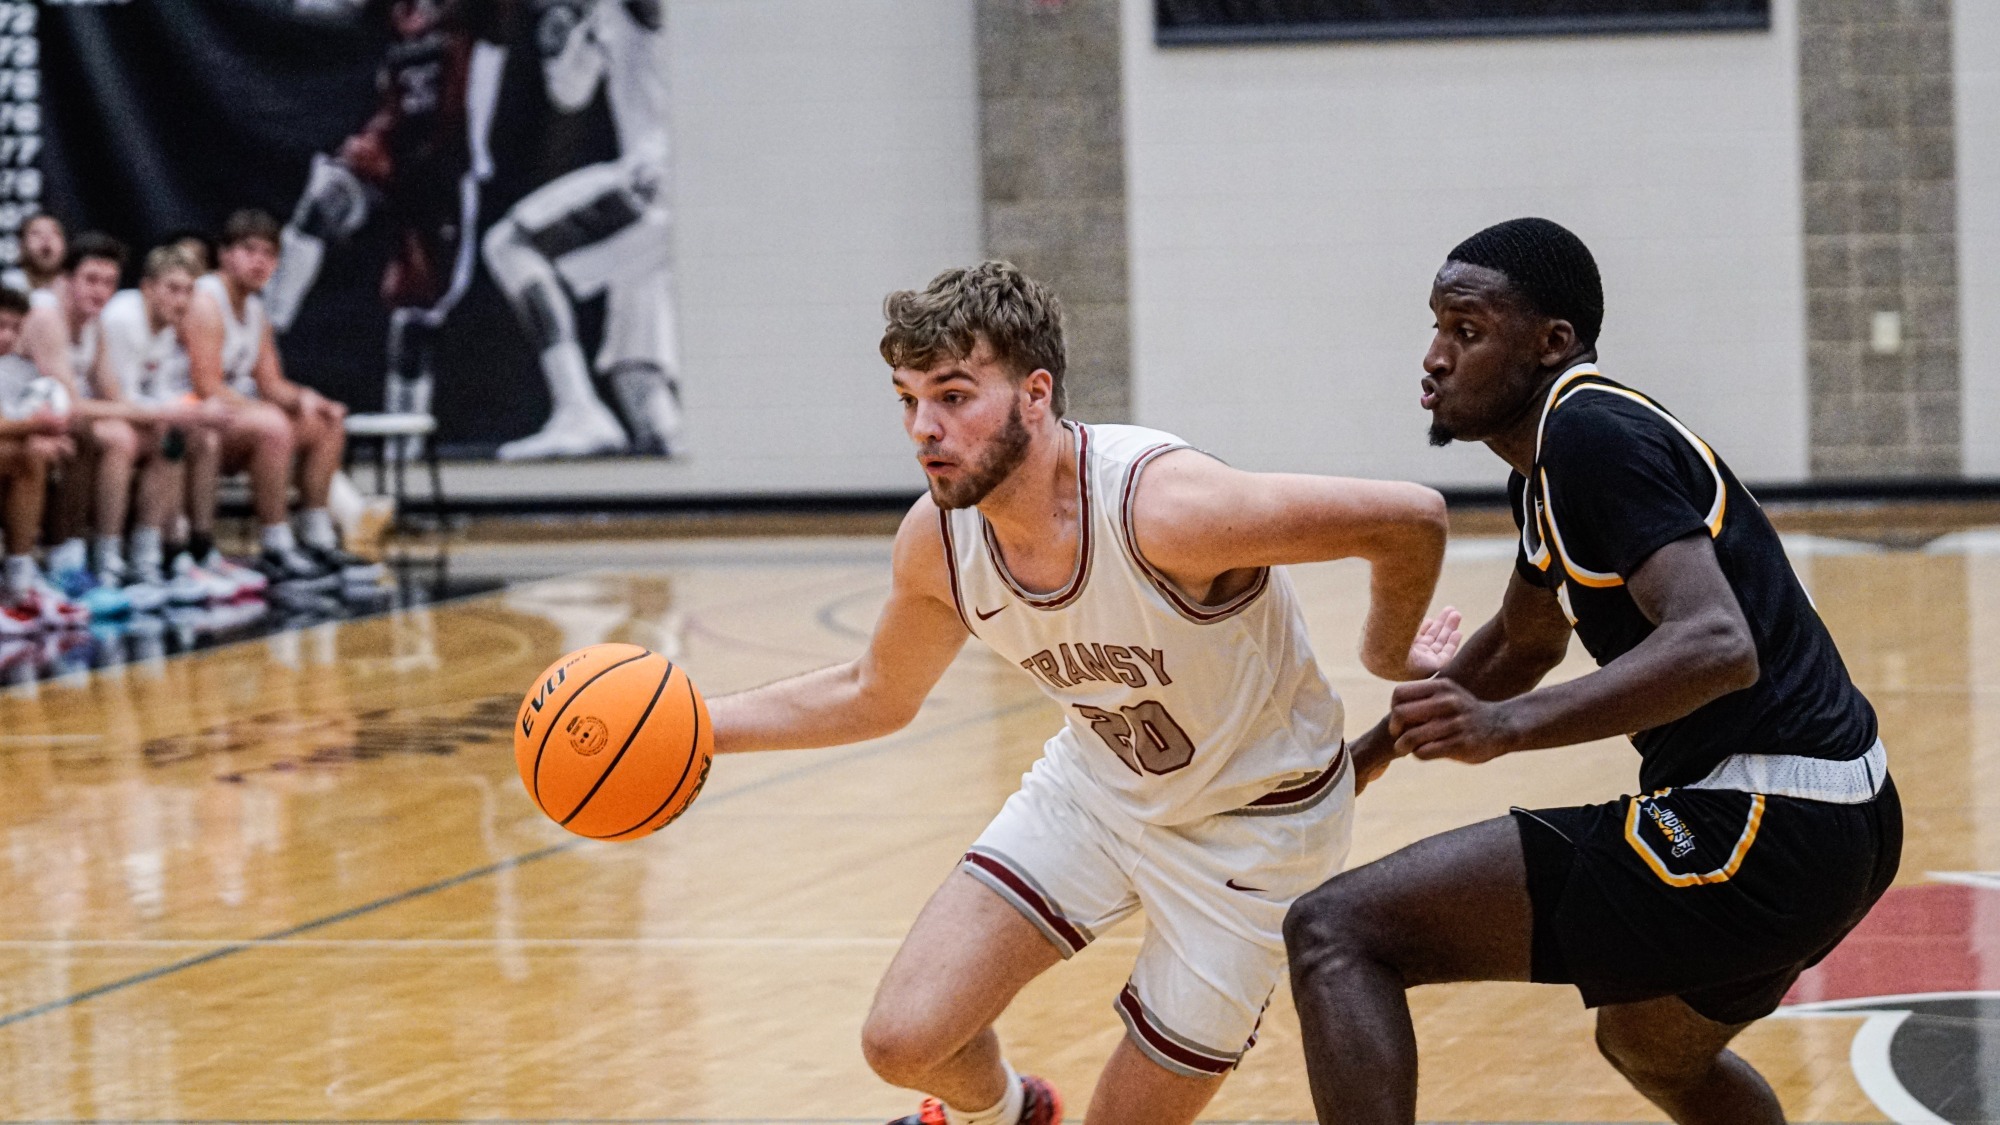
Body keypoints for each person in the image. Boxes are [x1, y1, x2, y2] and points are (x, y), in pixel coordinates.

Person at [707, 262, 1455, 1125]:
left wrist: (1390, 654)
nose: (924, 427)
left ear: (1035, 393)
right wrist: (690, 729)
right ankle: (1009, 1113)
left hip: (1260, 835)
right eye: (908, 399)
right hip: (1099, 793)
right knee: (903, 1041)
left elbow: (1411, 517)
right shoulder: (939, 540)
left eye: (953, 395)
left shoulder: (1163, 507)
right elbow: (874, 690)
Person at [1282, 218, 1902, 1125]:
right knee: (1649, 1043)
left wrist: (1508, 729)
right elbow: (1523, 643)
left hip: (1770, 815)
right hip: (1842, 819)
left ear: (1551, 343)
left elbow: (1716, 646)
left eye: (1467, 330)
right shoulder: (1546, 468)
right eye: (1435, 327)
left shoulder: (1590, 435)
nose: (1434, 357)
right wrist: (1368, 755)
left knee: (1336, 930)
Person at [264, 0, 511, 438]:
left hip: (444, 167)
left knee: (414, 318)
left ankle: (405, 451)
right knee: (324, 201)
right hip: (391, 143)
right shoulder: (398, 13)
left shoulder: (474, 16)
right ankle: (261, 337)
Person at [481, 0, 681, 459]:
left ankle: (577, 408)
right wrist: (572, 34)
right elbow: (570, 93)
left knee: (510, 245)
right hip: (667, 202)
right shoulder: (602, 17)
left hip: (657, 179)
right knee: (638, 379)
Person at [183, 209, 381, 589]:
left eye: (269, 254)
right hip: (197, 417)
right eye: (249, 250)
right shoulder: (206, 300)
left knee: (325, 422)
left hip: (237, 418)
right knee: (273, 425)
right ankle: (275, 545)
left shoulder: (256, 309)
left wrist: (308, 398)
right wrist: (266, 411)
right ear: (224, 255)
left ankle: (318, 538)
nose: (260, 261)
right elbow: (205, 386)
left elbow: (272, 383)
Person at [97, 245, 265, 603]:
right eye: (173, 289)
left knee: (192, 435)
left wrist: (187, 412)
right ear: (147, 287)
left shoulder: (164, 326)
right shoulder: (124, 319)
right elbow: (119, 402)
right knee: (153, 435)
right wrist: (181, 412)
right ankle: (115, 561)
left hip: (120, 413)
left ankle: (184, 551)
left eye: (189, 290)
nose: (183, 299)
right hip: (92, 414)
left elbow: (157, 396)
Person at [18, 231, 156, 622]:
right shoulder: (46, 315)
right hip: (17, 419)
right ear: (66, 279)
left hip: (38, 420)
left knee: (131, 434)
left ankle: (126, 559)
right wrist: (172, 413)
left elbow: (115, 398)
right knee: (84, 430)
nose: (100, 291)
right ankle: (58, 564)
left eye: (109, 282)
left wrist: (164, 418)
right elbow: (69, 403)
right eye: (91, 280)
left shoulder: (93, 323)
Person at [0, 287, 75, 634]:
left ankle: (20, 581)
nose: (8, 337)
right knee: (25, 454)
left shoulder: (13, 370)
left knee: (29, 457)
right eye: (1, 326)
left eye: (16, 328)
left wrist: (39, 435)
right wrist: (35, 427)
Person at [4, 212, 67, 305]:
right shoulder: (8, 285)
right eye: (36, 233)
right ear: (21, 245)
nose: (46, 239)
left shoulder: (75, 287)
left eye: (54, 232)